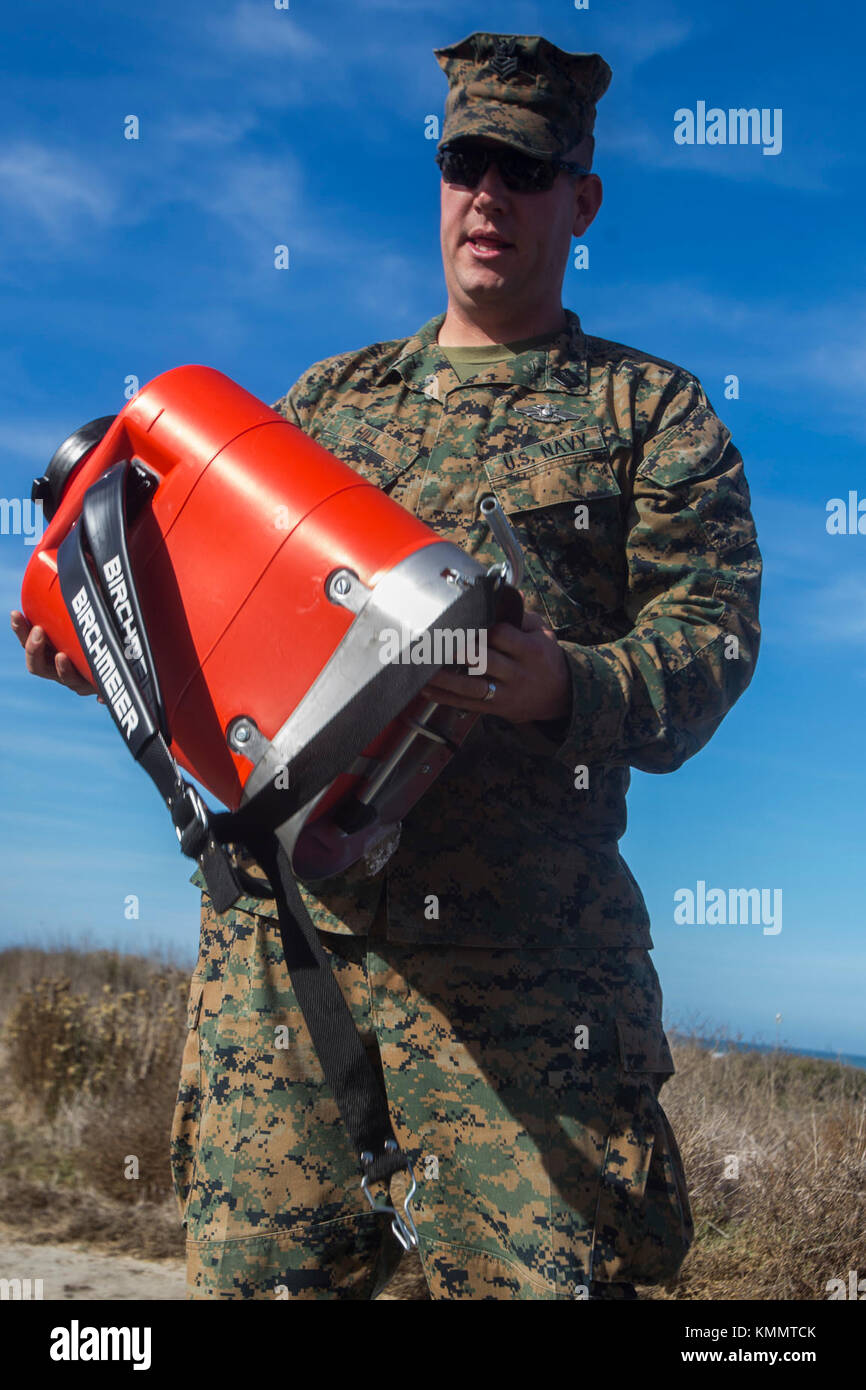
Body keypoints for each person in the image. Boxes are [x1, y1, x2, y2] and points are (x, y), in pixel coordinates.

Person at [11, 31, 761, 1301]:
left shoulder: (650, 414)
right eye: (466, 161)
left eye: (525, 169)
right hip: (286, 976)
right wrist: (114, 661)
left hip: (522, 994)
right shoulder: (325, 403)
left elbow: (711, 647)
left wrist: (560, 685)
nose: (489, 196)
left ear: (579, 198)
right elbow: (219, 629)